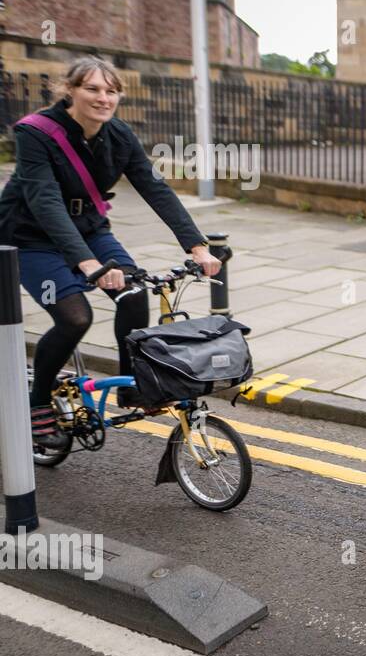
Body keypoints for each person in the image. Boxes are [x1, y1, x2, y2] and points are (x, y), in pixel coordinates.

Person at [0, 57, 222, 447]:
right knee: (74, 317)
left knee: (135, 295)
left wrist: (197, 246)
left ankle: (132, 388)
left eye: (111, 90)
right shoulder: (35, 133)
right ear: (70, 90)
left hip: (90, 228)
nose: (103, 98)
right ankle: (37, 405)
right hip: (32, 235)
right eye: (92, 89)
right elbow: (45, 199)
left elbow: (156, 189)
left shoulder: (119, 135)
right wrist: (88, 264)